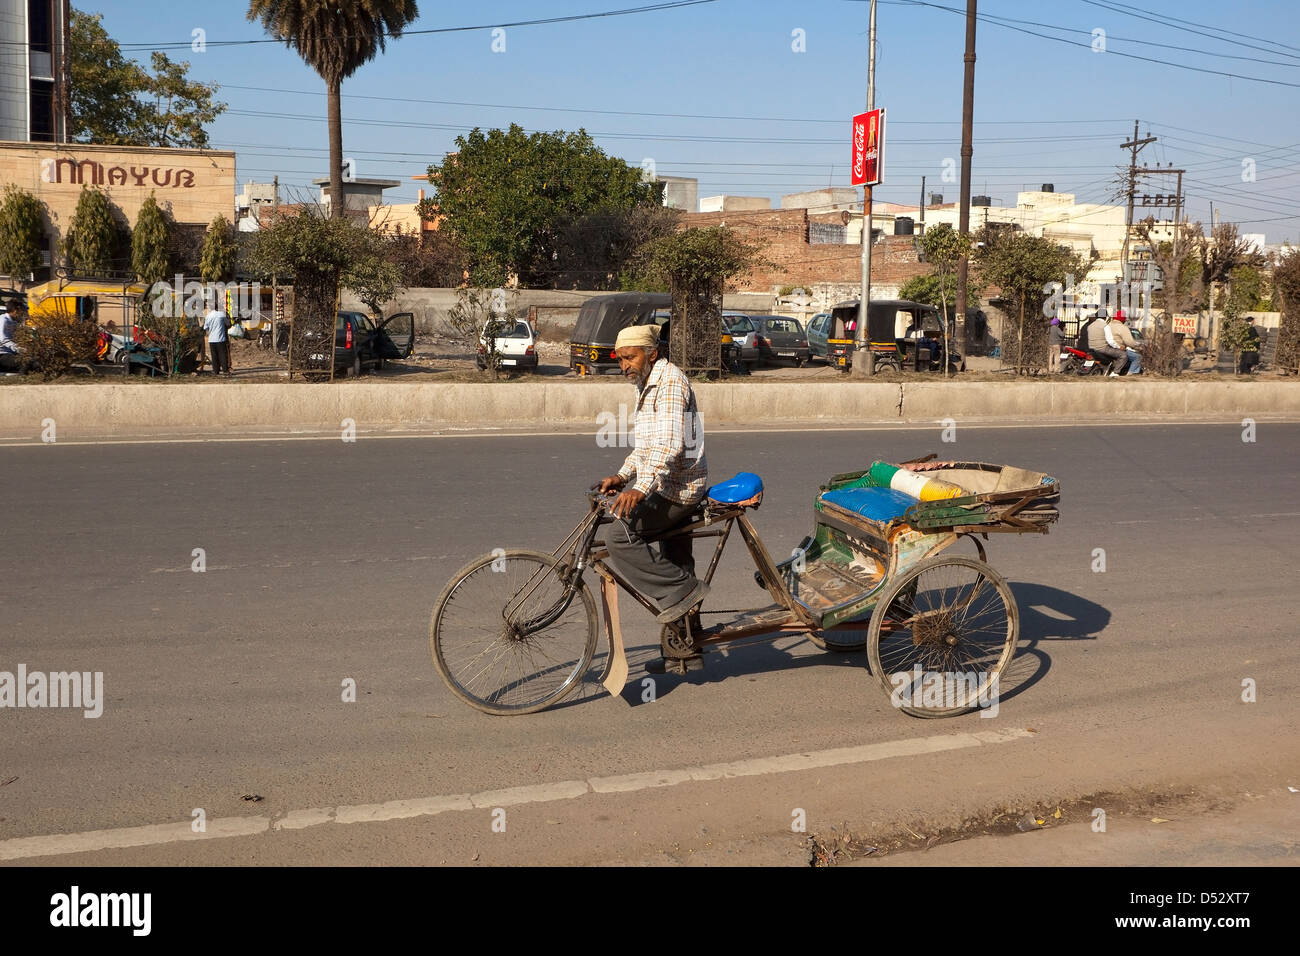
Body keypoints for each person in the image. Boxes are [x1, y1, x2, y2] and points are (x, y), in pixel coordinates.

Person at [593, 323, 710, 675]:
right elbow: (645, 447)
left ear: (652, 354)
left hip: (679, 489)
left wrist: (639, 490)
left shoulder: (670, 383)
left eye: (631, 357)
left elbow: (670, 445)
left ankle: (684, 590)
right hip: (662, 483)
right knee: (674, 557)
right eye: (621, 359)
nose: (624, 365)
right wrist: (622, 475)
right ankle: (682, 653)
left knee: (617, 536)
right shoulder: (646, 384)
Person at [1086, 309, 1127, 376]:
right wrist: (1119, 347)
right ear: (1105, 317)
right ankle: (1115, 372)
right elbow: (1110, 341)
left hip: (1091, 349)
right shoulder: (1105, 325)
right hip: (1103, 349)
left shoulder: (1090, 326)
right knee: (1123, 355)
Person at [1107, 311, 1142, 375]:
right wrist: (1138, 346)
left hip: (1106, 349)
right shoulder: (1122, 328)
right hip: (1118, 349)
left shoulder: (1107, 325)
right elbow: (1129, 342)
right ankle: (1131, 374)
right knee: (1138, 357)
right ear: (1123, 319)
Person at [203, 296, 231, 376]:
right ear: (217, 306)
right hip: (221, 338)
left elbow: (206, 327)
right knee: (222, 355)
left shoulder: (208, 316)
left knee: (214, 356)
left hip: (212, 339)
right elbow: (228, 324)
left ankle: (216, 371)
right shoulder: (221, 314)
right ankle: (225, 370)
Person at [0, 299, 21, 373]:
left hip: (11, 352)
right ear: (15, 311)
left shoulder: (14, 322)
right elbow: (3, 339)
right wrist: (19, 348)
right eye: (20, 311)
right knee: (23, 362)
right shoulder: (3, 320)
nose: (21, 313)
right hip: (2, 354)